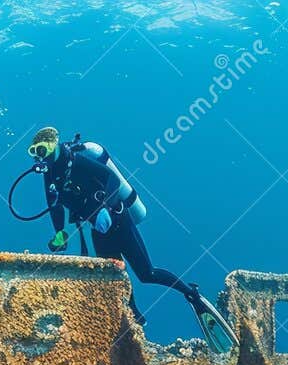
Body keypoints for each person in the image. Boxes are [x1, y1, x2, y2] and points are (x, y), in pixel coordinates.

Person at [23, 126, 235, 352]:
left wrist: (104, 205)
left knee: (147, 273)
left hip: (118, 219)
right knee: (116, 275)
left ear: (54, 145)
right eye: (34, 151)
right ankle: (135, 318)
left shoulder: (75, 161)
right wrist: (59, 232)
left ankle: (190, 293)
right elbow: (54, 205)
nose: (40, 155)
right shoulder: (50, 175)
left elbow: (110, 179)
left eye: (43, 149)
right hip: (99, 230)